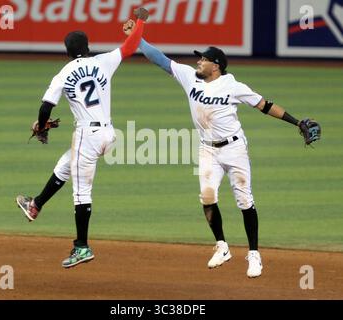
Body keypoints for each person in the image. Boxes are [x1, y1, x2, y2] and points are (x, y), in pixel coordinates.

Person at [123, 22, 319, 278]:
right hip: (208, 150)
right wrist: (137, 37)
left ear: (216, 65)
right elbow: (159, 59)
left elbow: (265, 105)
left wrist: (297, 122)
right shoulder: (188, 77)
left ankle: (254, 254)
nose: (198, 62)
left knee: (245, 200)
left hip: (235, 148)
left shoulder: (233, 86)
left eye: (203, 59)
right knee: (207, 196)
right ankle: (222, 245)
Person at [16, 8, 149, 268]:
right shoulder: (103, 61)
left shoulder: (64, 73)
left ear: (67, 51)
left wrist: (42, 126)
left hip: (87, 135)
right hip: (108, 133)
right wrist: (141, 20)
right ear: (87, 47)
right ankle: (35, 204)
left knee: (81, 193)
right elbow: (131, 45)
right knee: (64, 167)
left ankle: (82, 247)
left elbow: (46, 107)